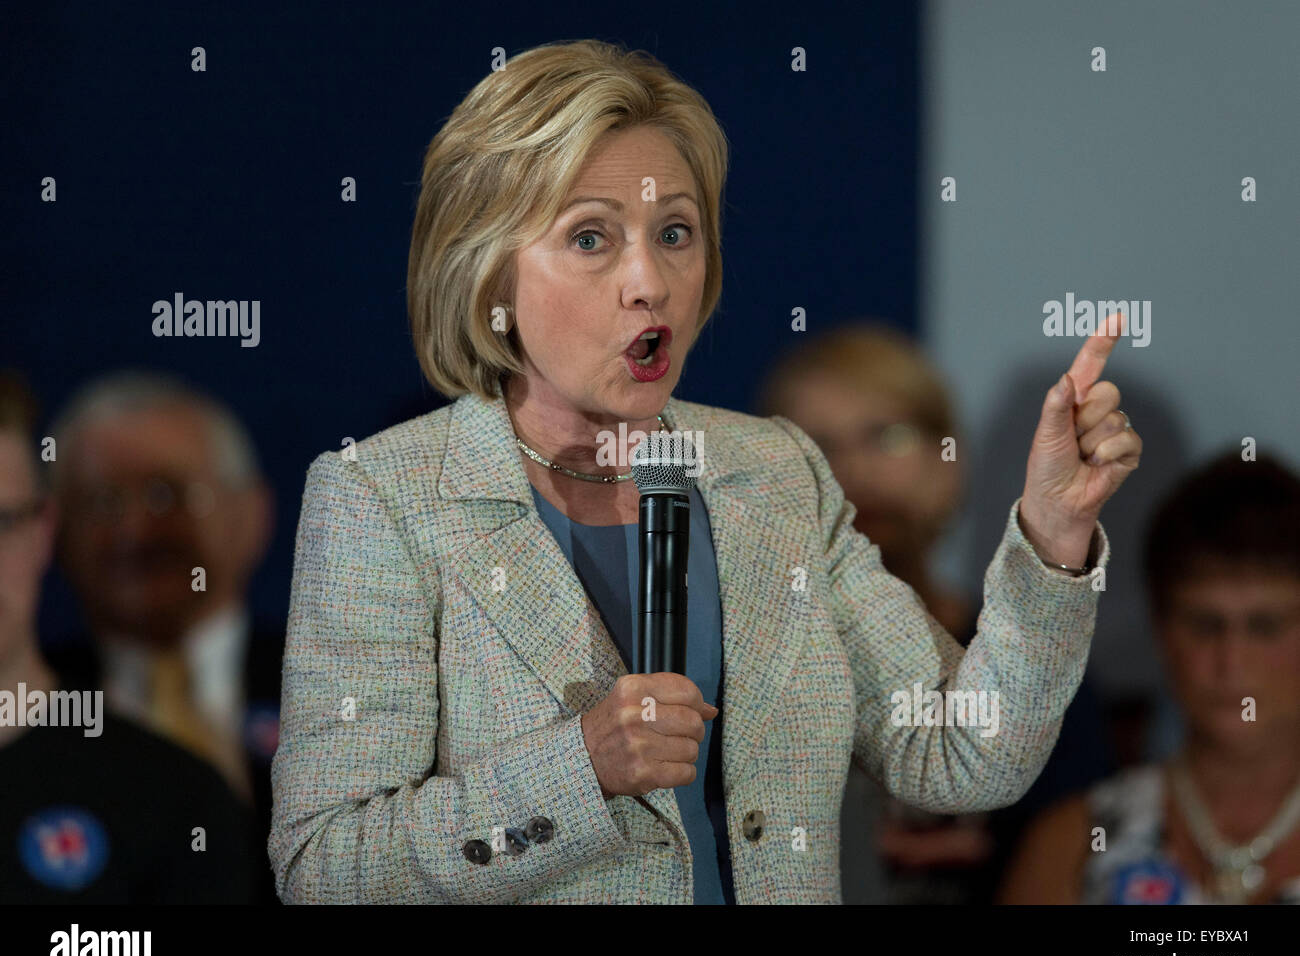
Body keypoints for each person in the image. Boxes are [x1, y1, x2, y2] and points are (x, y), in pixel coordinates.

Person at [268, 39, 1142, 904]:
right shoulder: (384, 501)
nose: (650, 281)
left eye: (675, 232)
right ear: (489, 272)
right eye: (591, 239)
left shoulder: (775, 471)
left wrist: (1053, 537)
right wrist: (579, 771)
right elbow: (327, 866)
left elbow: (961, 754)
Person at [761, 326, 1112, 903]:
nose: (852, 471)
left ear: (949, 458)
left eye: (886, 436)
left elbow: (1074, 850)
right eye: (817, 446)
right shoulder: (742, 654)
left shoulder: (1031, 652)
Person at [999, 452, 1300, 904]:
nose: (1231, 661)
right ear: (1161, 630)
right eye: (1204, 625)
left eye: (1265, 626)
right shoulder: (1073, 843)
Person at [0, 372, 254, 903]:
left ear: (43, 529)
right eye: (104, 502)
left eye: (0, 523)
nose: (134, 531)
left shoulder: (180, 799)